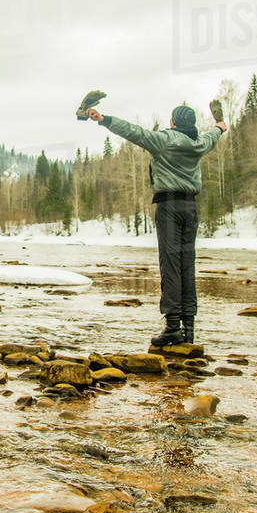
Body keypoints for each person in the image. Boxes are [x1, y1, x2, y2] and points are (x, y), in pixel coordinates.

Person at [86, 102, 227, 346]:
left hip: (169, 207)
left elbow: (134, 132)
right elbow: (213, 135)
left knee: (170, 264)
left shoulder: (165, 140)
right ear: (191, 125)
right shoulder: (199, 143)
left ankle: (172, 327)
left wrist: (103, 119)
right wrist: (219, 127)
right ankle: (189, 330)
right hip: (190, 208)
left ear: (173, 123)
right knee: (187, 266)